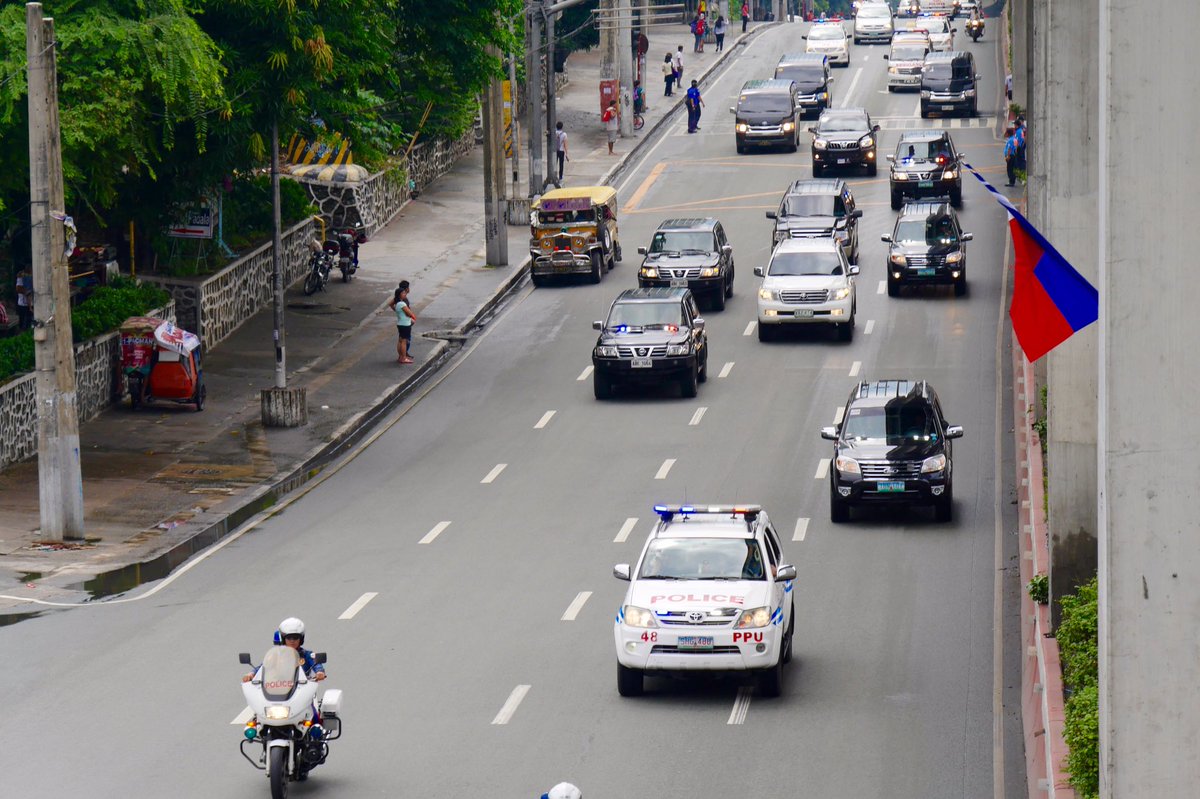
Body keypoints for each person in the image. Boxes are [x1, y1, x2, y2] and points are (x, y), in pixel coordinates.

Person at [243, 618, 327, 684]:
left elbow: (317, 664)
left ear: (301, 639)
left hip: (303, 688)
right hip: (278, 689)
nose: (292, 641)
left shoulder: (307, 655)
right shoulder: (275, 656)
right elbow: (263, 667)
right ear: (283, 639)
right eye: (289, 638)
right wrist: (251, 674)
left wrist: (319, 672)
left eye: (295, 637)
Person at [388, 280, 417, 363]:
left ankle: (402, 356)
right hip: (405, 323)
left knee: (401, 340)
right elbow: (409, 313)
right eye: (404, 292)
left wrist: (399, 313)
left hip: (402, 322)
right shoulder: (401, 302)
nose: (405, 293)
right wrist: (407, 315)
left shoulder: (399, 301)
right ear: (406, 289)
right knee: (405, 341)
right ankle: (404, 356)